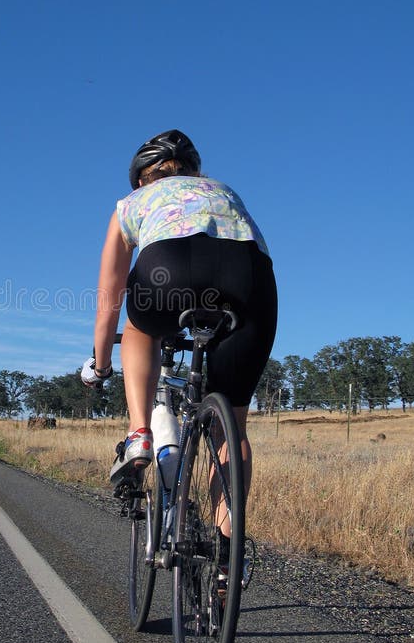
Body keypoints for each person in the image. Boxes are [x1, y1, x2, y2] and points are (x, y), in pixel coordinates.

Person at [81, 129, 277, 505]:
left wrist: (101, 366)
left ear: (142, 179)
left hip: (168, 272)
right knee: (232, 428)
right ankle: (227, 542)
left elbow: (109, 299)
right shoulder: (223, 190)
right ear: (194, 173)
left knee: (139, 329)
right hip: (250, 280)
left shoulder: (132, 202)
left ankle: (139, 432)